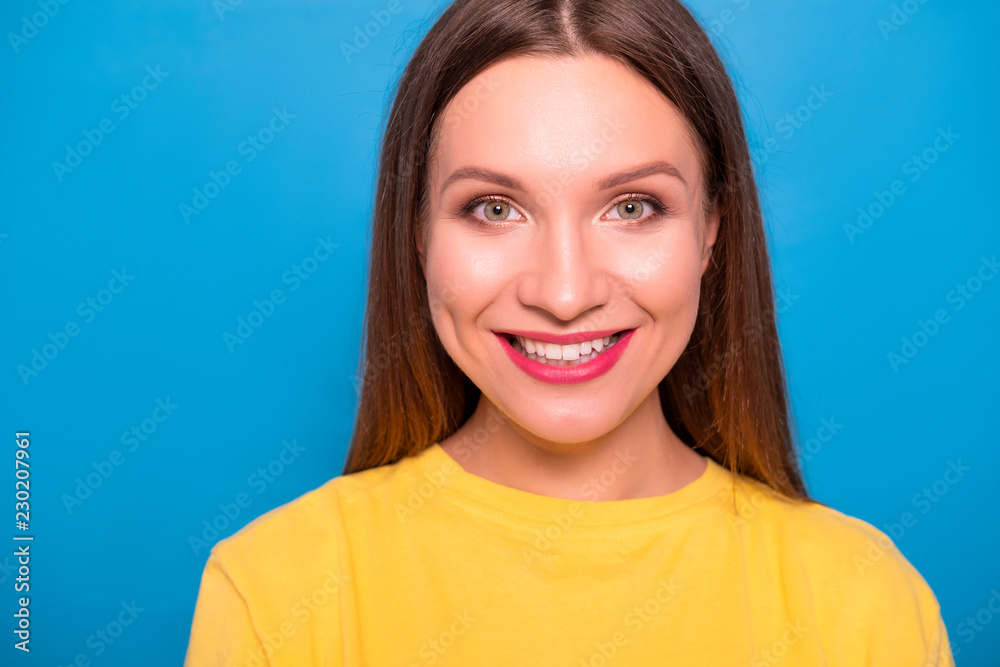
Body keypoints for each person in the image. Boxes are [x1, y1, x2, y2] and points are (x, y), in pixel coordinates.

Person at [184, 0, 954, 664]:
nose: (563, 292)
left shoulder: (866, 601)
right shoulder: (272, 589)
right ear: (416, 232)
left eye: (632, 207)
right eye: (493, 207)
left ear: (713, 227)